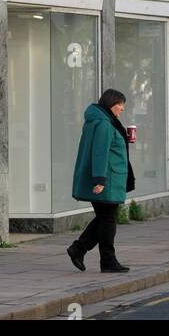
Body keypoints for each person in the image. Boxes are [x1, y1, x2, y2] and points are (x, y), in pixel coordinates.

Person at [66, 89, 135, 274]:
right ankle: (107, 260)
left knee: (104, 218)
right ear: (111, 104)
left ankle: (79, 249)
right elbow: (99, 152)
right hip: (107, 179)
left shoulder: (99, 121)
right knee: (108, 220)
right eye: (120, 104)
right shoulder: (104, 124)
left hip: (107, 177)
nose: (122, 108)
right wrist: (99, 180)